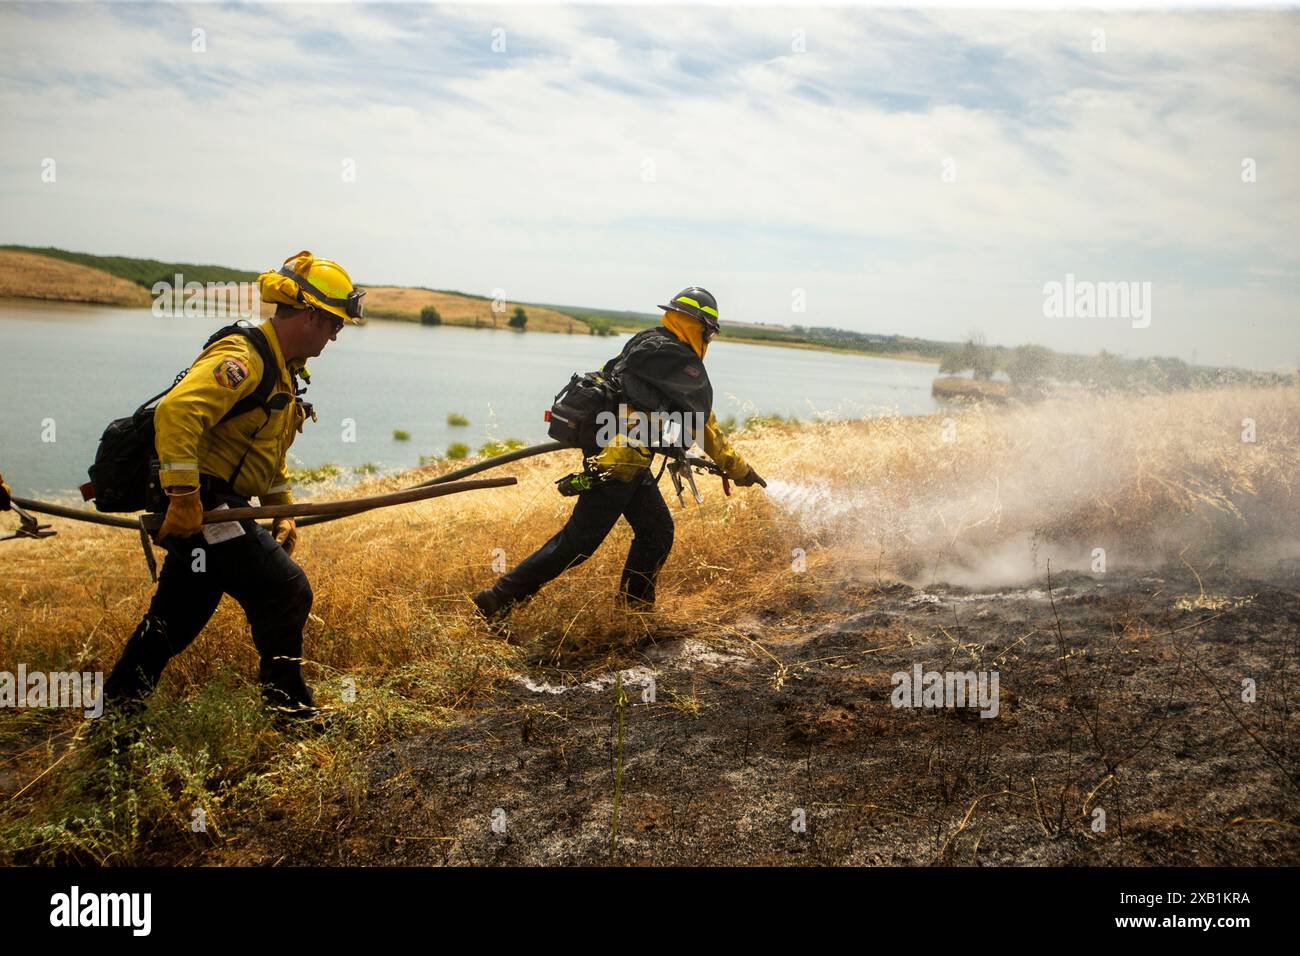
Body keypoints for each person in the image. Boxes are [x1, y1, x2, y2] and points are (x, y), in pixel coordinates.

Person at [103, 251, 365, 717]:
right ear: (308, 316)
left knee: (174, 619)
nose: (336, 335)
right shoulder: (243, 357)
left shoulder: (283, 368)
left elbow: (269, 450)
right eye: (333, 324)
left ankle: (114, 717)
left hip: (219, 502)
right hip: (203, 502)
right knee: (287, 590)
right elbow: (177, 412)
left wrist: (281, 509)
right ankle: (288, 712)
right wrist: (183, 496)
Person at [473, 287, 765, 625]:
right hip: (619, 460)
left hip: (623, 454)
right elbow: (704, 426)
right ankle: (498, 599)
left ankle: (633, 613)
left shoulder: (651, 342)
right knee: (578, 543)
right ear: (697, 325)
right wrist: (740, 470)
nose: (709, 339)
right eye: (709, 331)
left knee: (656, 531)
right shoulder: (679, 363)